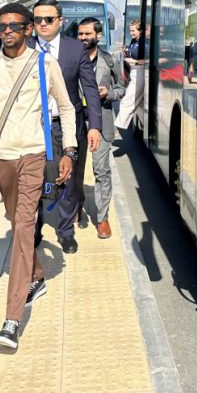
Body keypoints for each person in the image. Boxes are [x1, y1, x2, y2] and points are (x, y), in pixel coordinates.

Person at [0, 2, 77, 351]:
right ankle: (36, 276)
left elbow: (67, 108)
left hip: (35, 155)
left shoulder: (44, 63)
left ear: (28, 30)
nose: (7, 31)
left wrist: (69, 150)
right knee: (14, 220)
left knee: (24, 227)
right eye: (2, 26)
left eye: (15, 26)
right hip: (1, 158)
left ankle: (12, 319)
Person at [28, 0, 101, 254]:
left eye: (49, 19)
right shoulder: (24, 47)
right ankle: (34, 226)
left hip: (69, 126)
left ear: (60, 20)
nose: (43, 24)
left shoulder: (74, 49)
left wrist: (95, 126)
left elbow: (90, 89)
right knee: (34, 179)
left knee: (69, 181)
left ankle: (66, 231)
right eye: (38, 19)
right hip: (33, 127)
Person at [77, 16, 125, 239]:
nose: (83, 37)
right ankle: (76, 207)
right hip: (76, 121)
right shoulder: (71, 59)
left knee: (101, 171)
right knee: (74, 170)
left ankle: (102, 218)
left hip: (103, 121)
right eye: (80, 34)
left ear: (98, 35)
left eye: (87, 34)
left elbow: (121, 88)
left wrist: (110, 94)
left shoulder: (110, 59)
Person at [114, 19, 147, 131]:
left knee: (127, 101)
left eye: (133, 31)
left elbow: (150, 59)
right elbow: (133, 56)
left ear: (141, 30)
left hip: (140, 72)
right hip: (133, 72)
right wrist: (125, 53)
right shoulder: (133, 41)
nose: (131, 33)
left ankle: (118, 127)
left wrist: (135, 62)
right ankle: (147, 125)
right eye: (130, 31)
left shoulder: (144, 43)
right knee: (138, 104)